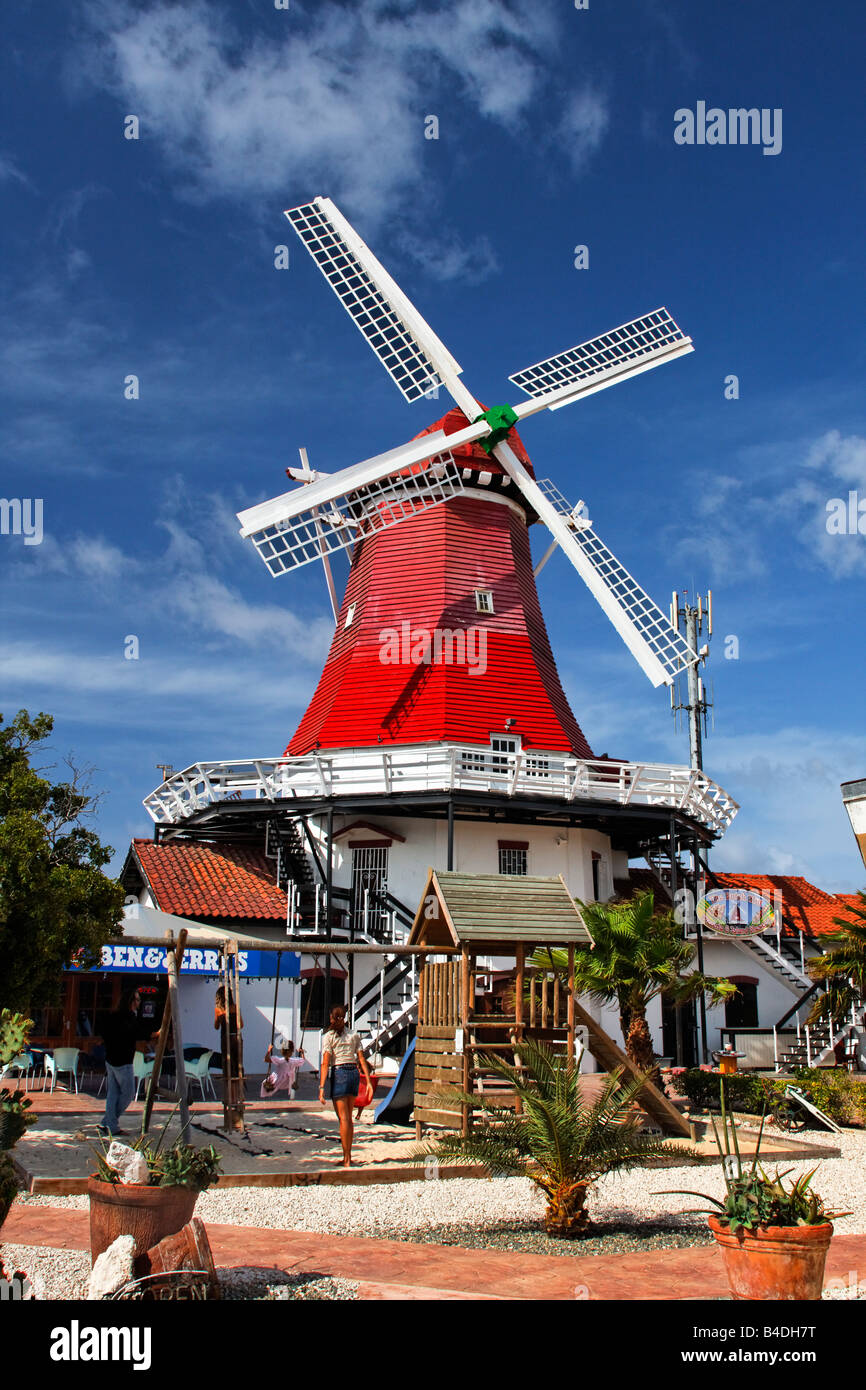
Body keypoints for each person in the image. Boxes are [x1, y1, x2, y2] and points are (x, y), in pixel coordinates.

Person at [319, 1005, 375, 1167]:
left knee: (343, 1119)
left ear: (331, 1018)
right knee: (348, 1119)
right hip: (353, 1074)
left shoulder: (328, 1037)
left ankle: (346, 1159)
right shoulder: (354, 1035)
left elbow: (325, 1063)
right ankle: (348, 1157)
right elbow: (361, 1059)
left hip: (340, 1073)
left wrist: (321, 1087)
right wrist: (369, 1082)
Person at [98, 987, 157, 1136]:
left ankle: (107, 1123)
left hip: (111, 1059)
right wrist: (154, 1034)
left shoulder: (114, 1016)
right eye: (137, 999)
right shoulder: (128, 1017)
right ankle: (110, 1122)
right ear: (131, 1001)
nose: (139, 1002)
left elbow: (105, 1032)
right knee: (128, 1093)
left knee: (113, 1093)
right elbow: (136, 1033)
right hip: (122, 1061)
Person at [214, 984, 245, 1127]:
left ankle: (230, 1098)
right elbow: (241, 1025)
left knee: (228, 1070)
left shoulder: (219, 1010)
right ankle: (238, 1097)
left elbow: (215, 1026)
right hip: (237, 1038)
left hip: (226, 1039)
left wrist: (220, 1017)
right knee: (238, 1070)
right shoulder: (235, 1007)